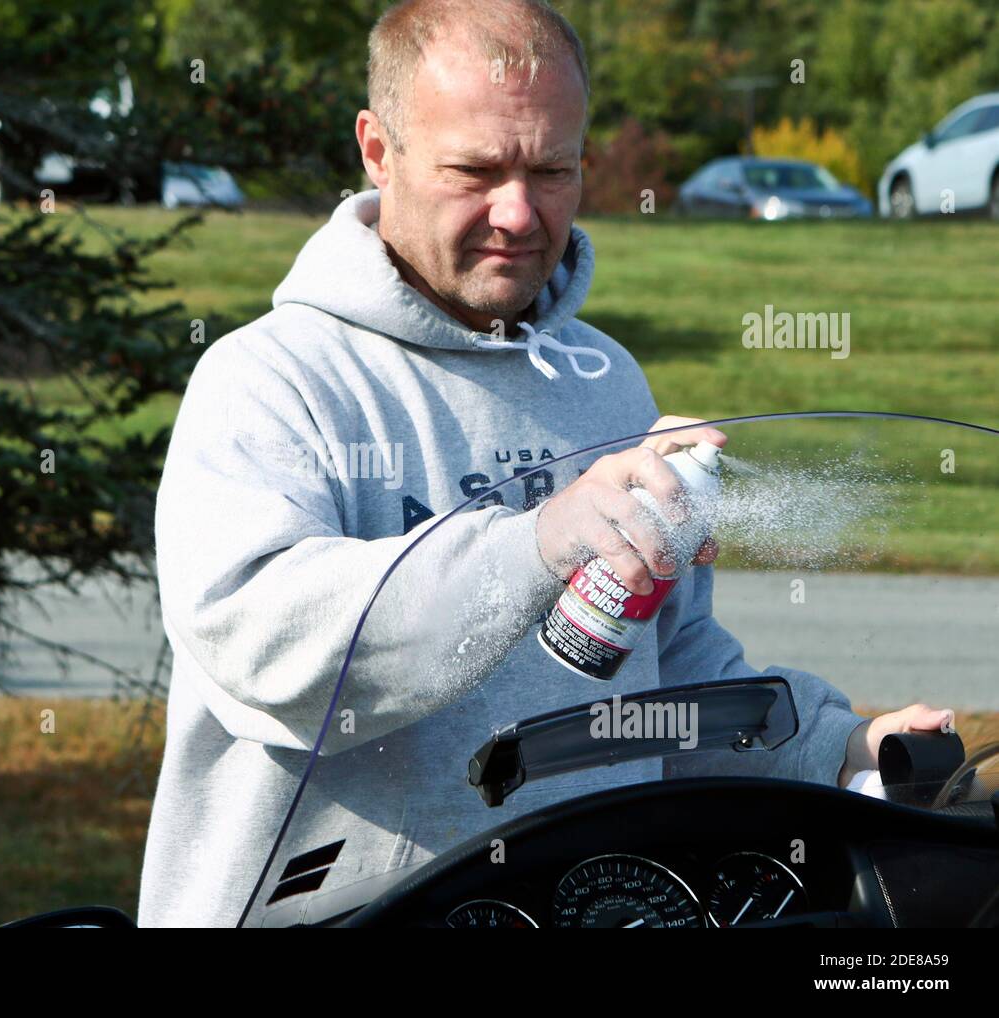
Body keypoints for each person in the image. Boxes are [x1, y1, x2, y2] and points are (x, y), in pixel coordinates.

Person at [138, 0, 952, 927]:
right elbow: (266, 641)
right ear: (377, 149)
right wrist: (535, 546)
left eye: (552, 170)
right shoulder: (272, 379)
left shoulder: (603, 381)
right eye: (476, 170)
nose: (519, 213)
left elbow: (665, 673)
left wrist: (837, 749)